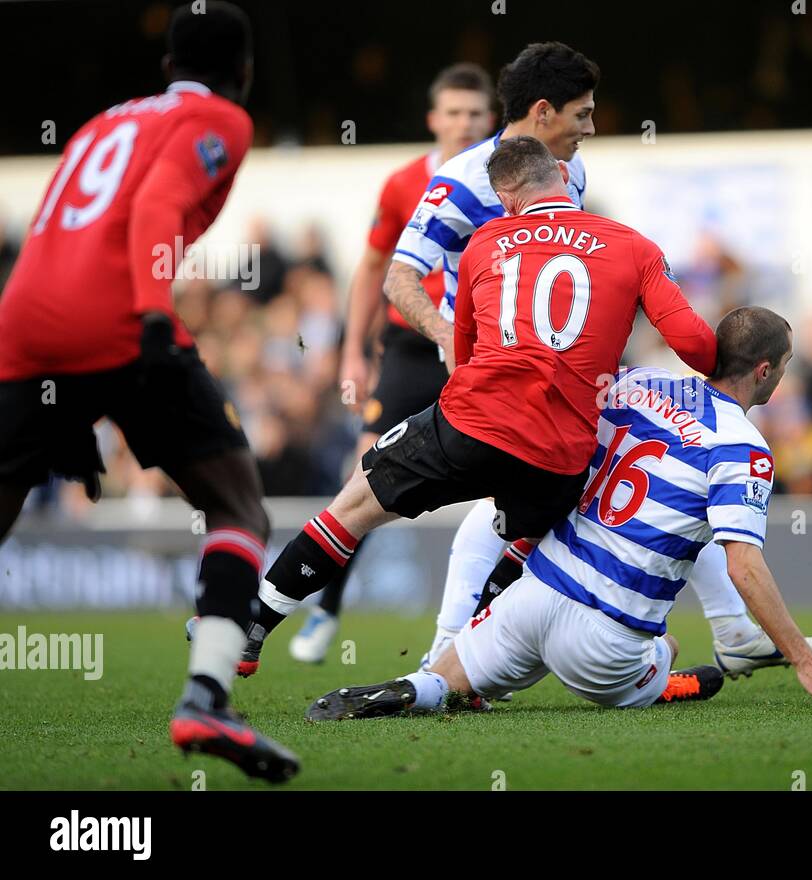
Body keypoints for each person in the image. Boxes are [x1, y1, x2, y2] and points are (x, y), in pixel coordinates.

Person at [248, 137, 718, 665]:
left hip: (473, 426)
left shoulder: (485, 243)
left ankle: (254, 627)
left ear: (505, 199)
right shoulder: (635, 246)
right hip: (560, 456)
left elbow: (464, 354)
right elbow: (697, 347)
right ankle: (469, 661)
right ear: (562, 174)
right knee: (524, 538)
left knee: (354, 504)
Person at [306, 307, 812, 718]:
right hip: (608, 643)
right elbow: (743, 565)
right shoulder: (743, 446)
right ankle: (667, 681)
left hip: (533, 596)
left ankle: (414, 687)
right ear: (766, 371)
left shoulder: (635, 382)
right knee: (665, 648)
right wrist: (803, 659)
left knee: (450, 682)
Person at [0, 3, 297, 781]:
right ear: (245, 71)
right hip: (120, 318)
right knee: (237, 505)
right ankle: (204, 696)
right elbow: (159, 206)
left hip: (23, 325)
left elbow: (54, 228)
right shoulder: (221, 117)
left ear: (166, 66)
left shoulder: (103, 122)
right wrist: (155, 315)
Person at [287, 63, 496, 663]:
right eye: (452, 113)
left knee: (510, 473)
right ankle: (326, 607)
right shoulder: (404, 184)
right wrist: (353, 349)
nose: (463, 123)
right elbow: (373, 268)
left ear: (491, 119)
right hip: (410, 345)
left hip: (480, 345)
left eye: (474, 113)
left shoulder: (508, 179)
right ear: (434, 119)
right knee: (364, 471)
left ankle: (483, 628)